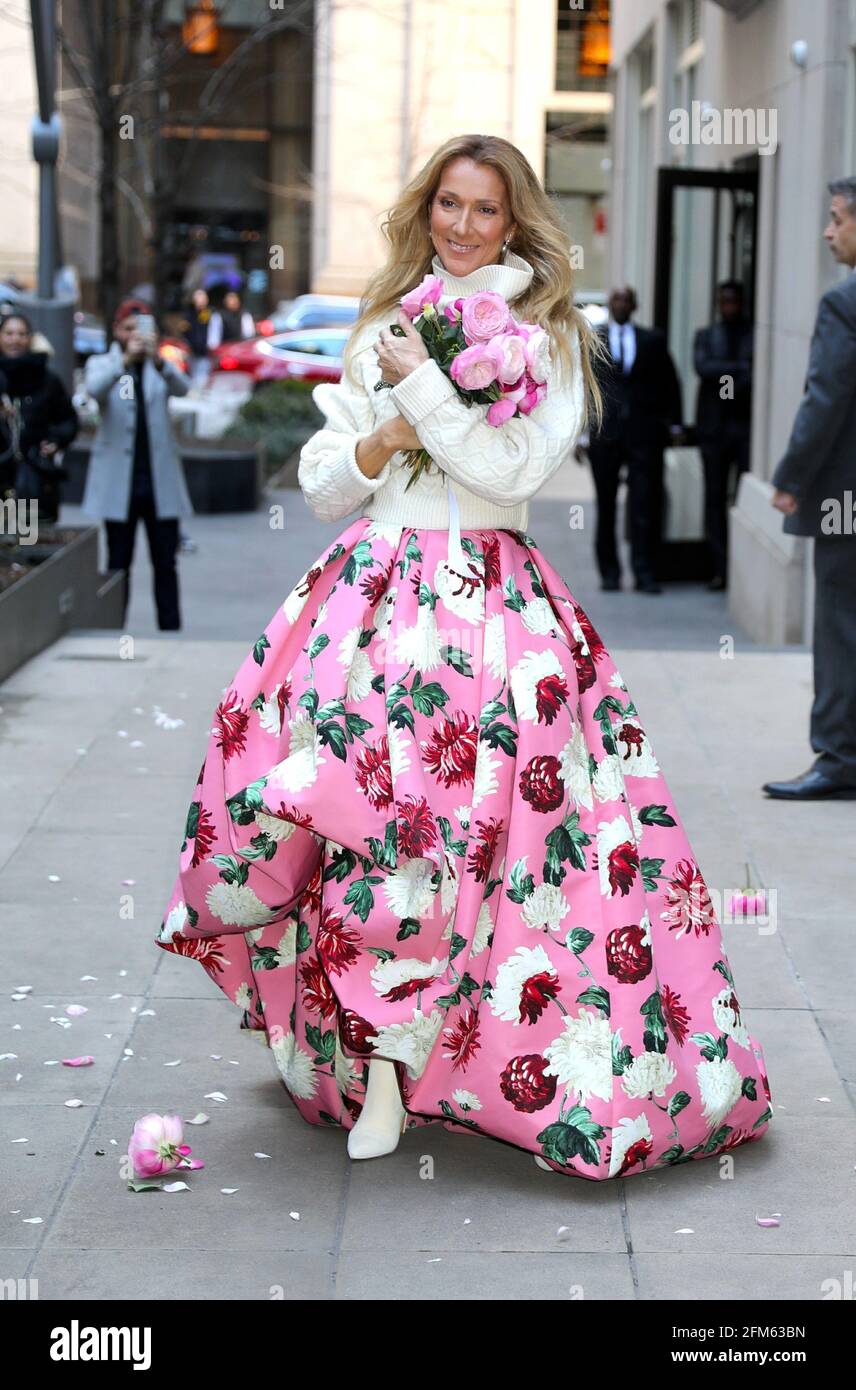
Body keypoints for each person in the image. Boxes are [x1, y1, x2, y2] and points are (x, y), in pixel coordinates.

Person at [155, 134, 772, 1180]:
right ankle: (381, 1066)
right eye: (449, 202)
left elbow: (511, 464)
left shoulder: (553, 337)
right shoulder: (385, 321)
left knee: (490, 838)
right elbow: (320, 483)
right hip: (372, 599)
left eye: (486, 209)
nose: (462, 225)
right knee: (354, 820)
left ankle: (431, 1060)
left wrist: (426, 396)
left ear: (515, 221)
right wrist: (386, 434)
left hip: (497, 610)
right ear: (426, 208)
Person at [763, 176, 856, 800]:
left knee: (841, 622)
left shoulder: (843, 303)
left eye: (837, 218)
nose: (828, 231)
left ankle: (839, 758)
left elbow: (826, 398)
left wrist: (791, 478)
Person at [81, 298, 194, 631]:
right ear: (117, 331)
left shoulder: (160, 366)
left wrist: (157, 358)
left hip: (160, 483)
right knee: (118, 562)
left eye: (143, 330)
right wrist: (125, 361)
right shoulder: (104, 363)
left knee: (165, 562)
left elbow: (183, 388)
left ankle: (170, 632)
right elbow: (94, 390)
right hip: (120, 484)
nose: (136, 336)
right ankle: (113, 629)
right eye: (129, 329)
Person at [587, 287, 683, 593]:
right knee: (606, 505)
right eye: (616, 300)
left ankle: (644, 571)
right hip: (606, 434)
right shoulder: (594, 339)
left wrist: (675, 423)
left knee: (645, 504)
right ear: (610, 305)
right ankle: (609, 573)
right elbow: (583, 385)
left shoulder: (652, 340)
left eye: (627, 300)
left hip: (644, 434)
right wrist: (579, 434)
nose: (621, 305)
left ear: (635, 305)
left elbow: (671, 382)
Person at [693, 280, 754, 590]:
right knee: (714, 499)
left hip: (742, 430)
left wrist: (731, 371)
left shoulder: (752, 334)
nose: (729, 307)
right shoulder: (706, 336)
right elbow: (703, 367)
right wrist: (737, 369)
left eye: (734, 301)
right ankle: (719, 568)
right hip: (714, 432)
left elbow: (752, 373)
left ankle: (741, 572)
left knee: (742, 498)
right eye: (724, 301)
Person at [0, 311, 78, 523]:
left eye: (22, 334)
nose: (15, 339)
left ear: (30, 339)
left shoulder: (48, 381)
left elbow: (68, 420)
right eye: (9, 333)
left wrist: (55, 440)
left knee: (31, 546)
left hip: (35, 481)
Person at [181, 286, 213, 388]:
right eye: (198, 297)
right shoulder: (188, 314)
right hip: (191, 353)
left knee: (202, 379)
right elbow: (184, 331)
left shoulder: (208, 313)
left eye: (203, 297)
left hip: (204, 352)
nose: (201, 300)